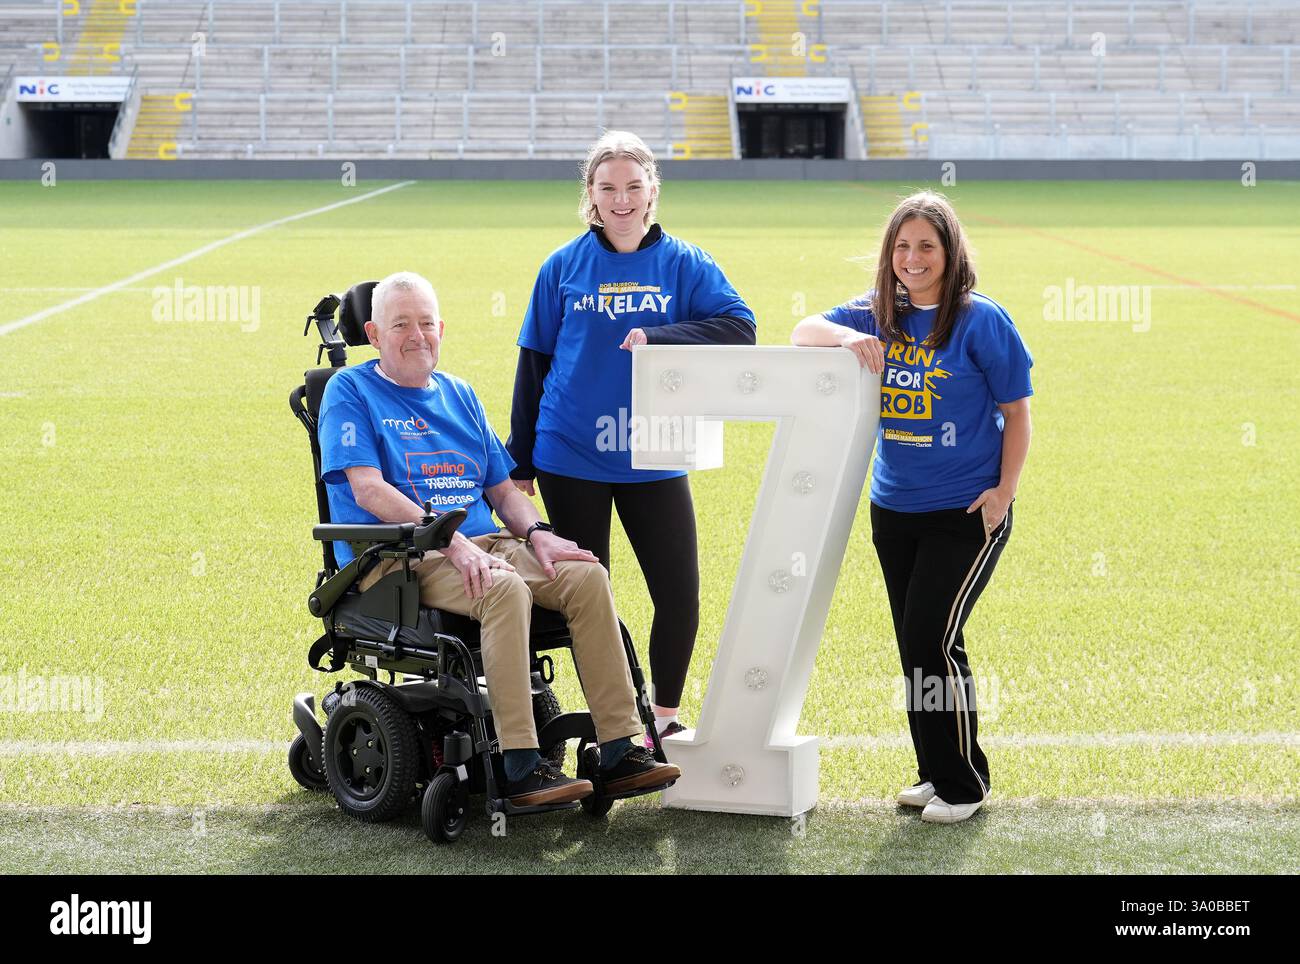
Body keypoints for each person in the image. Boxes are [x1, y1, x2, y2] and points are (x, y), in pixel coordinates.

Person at [317, 270, 680, 808]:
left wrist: (538, 534)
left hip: (482, 544)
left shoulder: (459, 394)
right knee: (503, 587)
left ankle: (619, 748)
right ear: (373, 334)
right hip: (400, 555)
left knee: (585, 576)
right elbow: (367, 489)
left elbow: (504, 491)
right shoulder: (351, 391)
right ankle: (519, 765)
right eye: (400, 325)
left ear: (441, 327)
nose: (417, 336)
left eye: (425, 323)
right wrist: (449, 541)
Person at [507, 131, 756, 747]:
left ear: (652, 193)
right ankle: (614, 725)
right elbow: (534, 362)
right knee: (589, 599)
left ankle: (664, 717)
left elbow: (739, 328)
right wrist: (520, 460)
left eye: (634, 187)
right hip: (571, 454)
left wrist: (660, 336)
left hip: (658, 447)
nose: (622, 199)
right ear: (590, 195)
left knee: (679, 593)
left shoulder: (684, 264)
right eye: (608, 187)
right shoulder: (563, 266)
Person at [791, 191, 1033, 824]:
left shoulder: (981, 320)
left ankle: (963, 787)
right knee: (917, 644)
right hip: (893, 509)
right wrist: (850, 338)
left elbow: (1017, 413)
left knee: (933, 637)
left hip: (965, 511)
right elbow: (802, 332)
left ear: (951, 252)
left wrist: (1003, 495)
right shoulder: (880, 314)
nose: (913, 257)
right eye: (902, 246)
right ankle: (939, 768)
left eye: (927, 245)